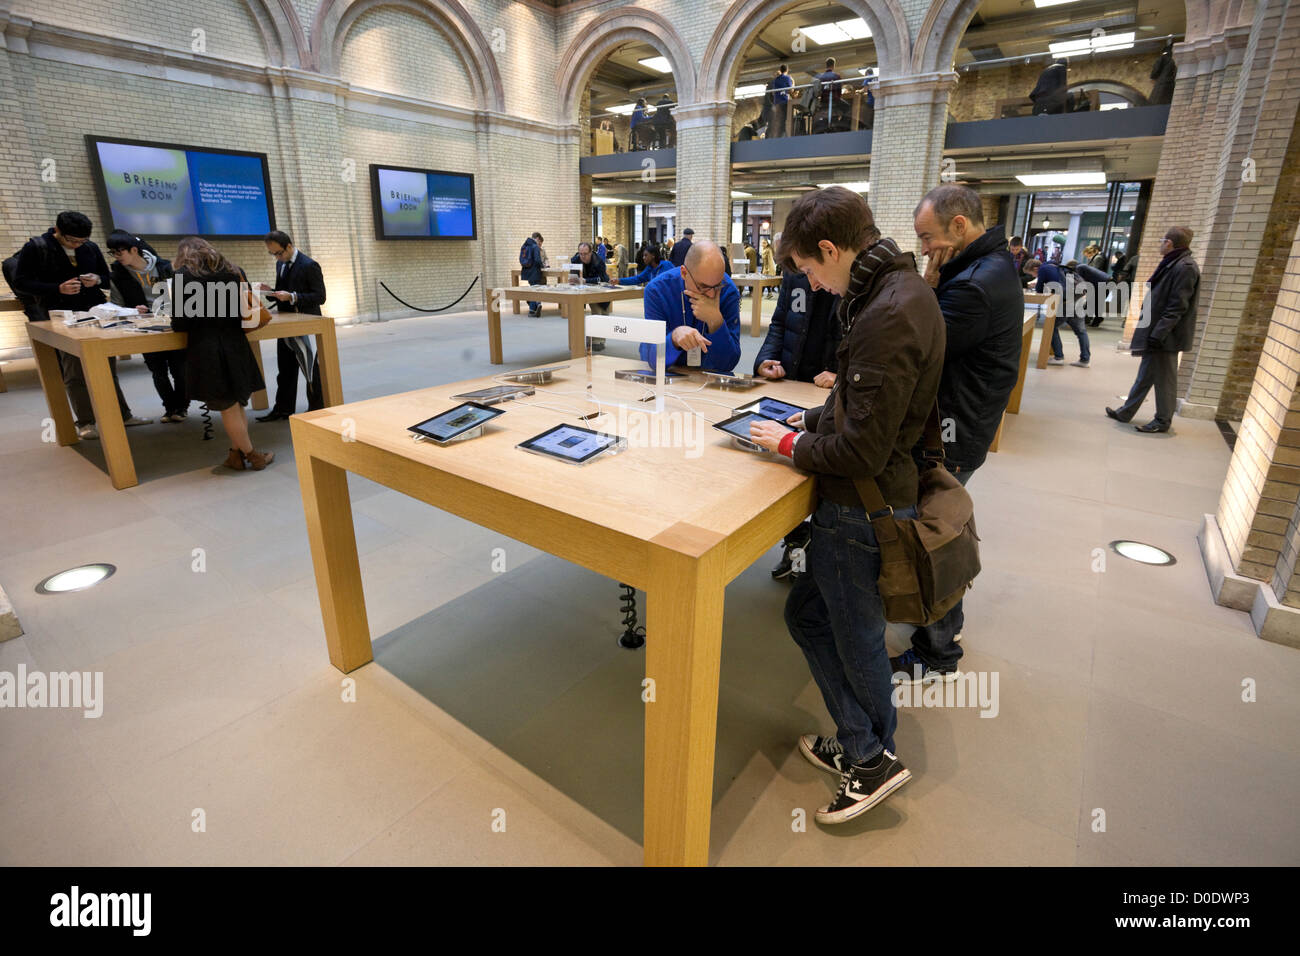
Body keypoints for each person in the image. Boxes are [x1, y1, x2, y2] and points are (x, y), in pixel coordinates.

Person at [747, 186, 945, 824]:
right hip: (868, 500)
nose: (814, 284)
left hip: (860, 508)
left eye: (809, 269)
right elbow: (865, 408)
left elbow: (861, 450)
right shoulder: (897, 292)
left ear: (830, 249)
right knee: (814, 619)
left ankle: (870, 760)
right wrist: (806, 419)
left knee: (851, 635)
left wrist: (788, 443)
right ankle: (863, 744)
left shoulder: (886, 311)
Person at [891, 185, 1023, 684]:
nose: (924, 247)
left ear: (960, 226)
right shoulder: (982, 268)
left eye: (927, 237)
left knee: (935, 537)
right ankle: (933, 628)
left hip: (953, 432)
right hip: (962, 425)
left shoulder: (975, 284)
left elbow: (922, 344)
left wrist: (925, 286)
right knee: (938, 527)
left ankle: (938, 650)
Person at [11, 211, 151, 439]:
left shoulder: (90, 247)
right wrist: (57, 288)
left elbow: (107, 278)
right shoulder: (37, 247)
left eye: (82, 241)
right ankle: (86, 422)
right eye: (72, 241)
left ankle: (123, 415)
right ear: (57, 231)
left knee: (107, 367)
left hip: (96, 313)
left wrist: (96, 280)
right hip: (61, 316)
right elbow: (22, 283)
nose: (77, 245)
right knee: (74, 370)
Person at [755, 270, 842, 579]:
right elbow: (779, 322)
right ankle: (795, 540)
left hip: (829, 393)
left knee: (820, 468)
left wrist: (838, 373)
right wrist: (766, 360)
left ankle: (813, 548)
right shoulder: (795, 277)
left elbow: (858, 337)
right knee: (781, 467)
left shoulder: (846, 277)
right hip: (791, 381)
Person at [170, 237, 275, 469]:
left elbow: (180, 323)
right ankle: (235, 455)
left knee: (227, 407)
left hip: (206, 349)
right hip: (235, 343)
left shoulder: (183, 277)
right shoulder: (233, 271)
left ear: (184, 254)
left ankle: (252, 456)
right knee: (237, 403)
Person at [1107, 227, 1199, 433]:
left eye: (1162, 240)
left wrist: (1159, 333)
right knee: (1145, 375)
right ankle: (1126, 411)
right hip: (1157, 331)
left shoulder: (1185, 267)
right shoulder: (1174, 263)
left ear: (1169, 243)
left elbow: (1177, 306)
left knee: (1165, 379)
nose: (1160, 244)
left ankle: (1163, 421)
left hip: (1166, 335)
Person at [106, 230, 187, 423]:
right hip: (145, 327)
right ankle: (170, 408)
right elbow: (116, 305)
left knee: (180, 369)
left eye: (119, 252)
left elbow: (184, 294)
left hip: (172, 324)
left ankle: (181, 407)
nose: (117, 257)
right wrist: (133, 309)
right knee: (157, 371)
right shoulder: (117, 275)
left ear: (134, 250)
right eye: (113, 254)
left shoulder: (166, 267)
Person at [640, 240, 741, 375]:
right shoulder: (657, 291)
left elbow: (728, 364)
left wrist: (715, 321)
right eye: (703, 287)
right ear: (684, 273)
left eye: (717, 285)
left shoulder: (729, 291)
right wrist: (674, 339)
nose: (711, 294)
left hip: (709, 379)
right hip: (670, 376)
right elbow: (653, 359)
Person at [257, 230, 325, 422]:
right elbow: (282, 291)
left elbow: (320, 296)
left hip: (306, 323)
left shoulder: (309, 265)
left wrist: (293, 296)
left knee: (311, 370)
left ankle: (316, 409)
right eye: (272, 254)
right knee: (285, 369)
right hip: (285, 323)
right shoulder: (281, 264)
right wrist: (270, 292)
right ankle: (283, 409)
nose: (276, 257)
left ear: (289, 246)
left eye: (278, 253)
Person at [1025, 258, 1090, 367]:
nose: (1033, 277)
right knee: (1081, 331)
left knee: (1051, 327)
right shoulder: (1055, 266)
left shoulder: (1043, 269)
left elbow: (1039, 290)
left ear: (1035, 268)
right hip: (1077, 299)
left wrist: (1035, 286)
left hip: (1066, 302)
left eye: (1032, 274)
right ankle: (1085, 360)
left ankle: (1058, 357)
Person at [571, 242, 612, 314]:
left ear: (591, 252)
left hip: (601, 290)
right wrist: (573, 279)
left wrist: (586, 280)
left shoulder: (599, 261)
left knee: (603, 314)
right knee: (596, 314)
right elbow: (573, 274)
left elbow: (604, 279)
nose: (583, 256)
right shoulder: (576, 260)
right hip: (585, 290)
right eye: (580, 253)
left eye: (585, 254)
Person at [519, 232, 545, 317]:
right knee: (535, 290)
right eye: (539, 241)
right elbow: (537, 260)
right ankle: (532, 309)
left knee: (533, 288)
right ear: (537, 238)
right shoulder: (535, 246)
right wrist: (543, 266)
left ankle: (536, 305)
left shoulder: (524, 246)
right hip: (535, 271)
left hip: (527, 272)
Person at [770, 63, 794, 138]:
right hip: (785, 102)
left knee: (778, 121)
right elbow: (791, 90)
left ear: (780, 70)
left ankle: (777, 137)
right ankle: (786, 136)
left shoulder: (775, 80)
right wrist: (793, 83)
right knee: (787, 120)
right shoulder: (787, 78)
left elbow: (773, 93)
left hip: (777, 103)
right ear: (787, 70)